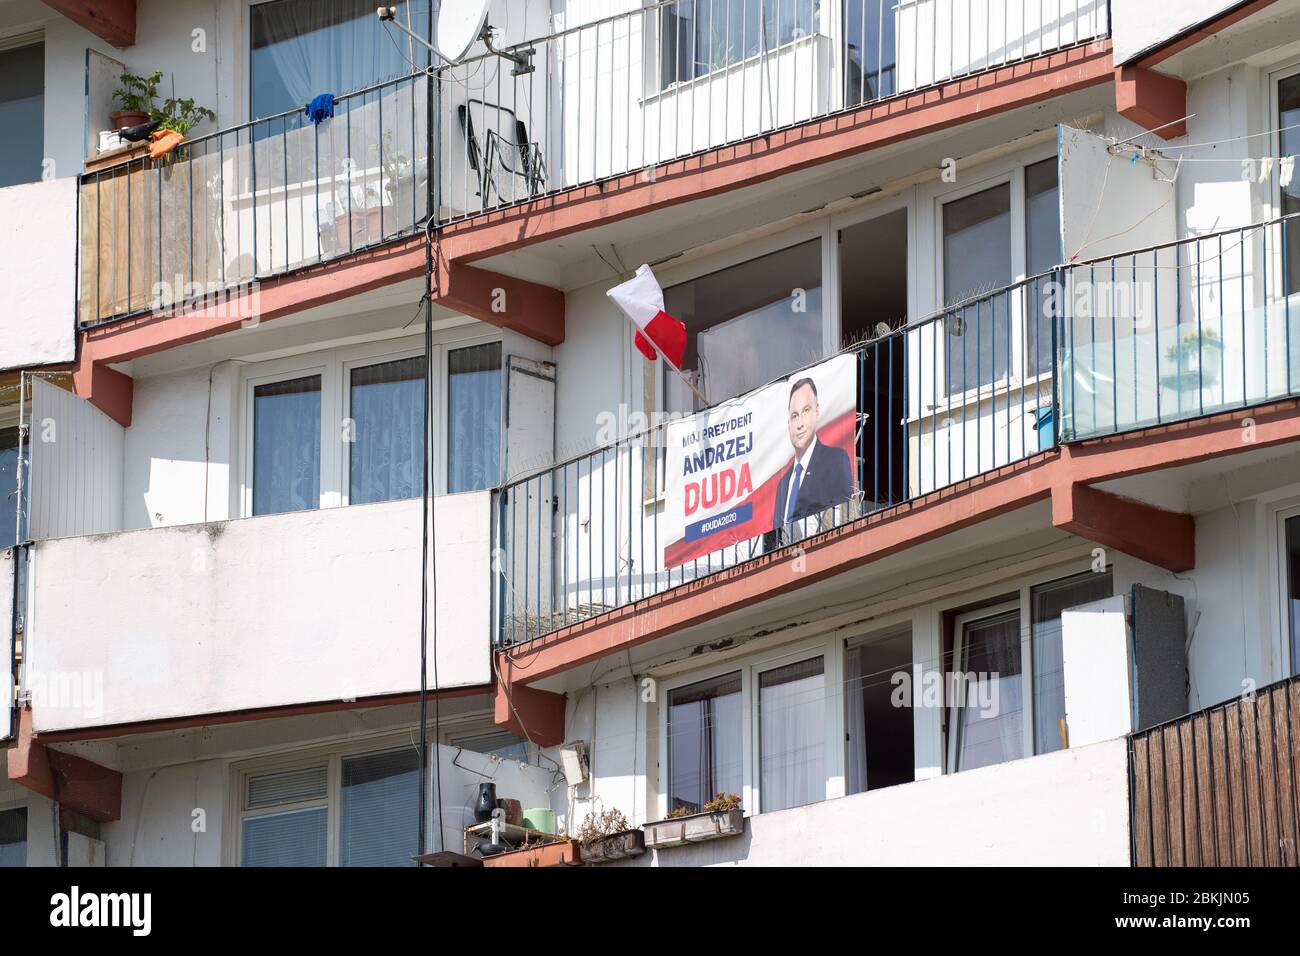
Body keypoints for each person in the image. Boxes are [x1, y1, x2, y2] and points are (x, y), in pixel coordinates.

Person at [771, 377, 854, 529]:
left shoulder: (835, 460)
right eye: (794, 416)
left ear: (817, 411)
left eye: (806, 411)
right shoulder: (783, 484)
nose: (800, 424)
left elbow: (845, 518)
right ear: (788, 423)